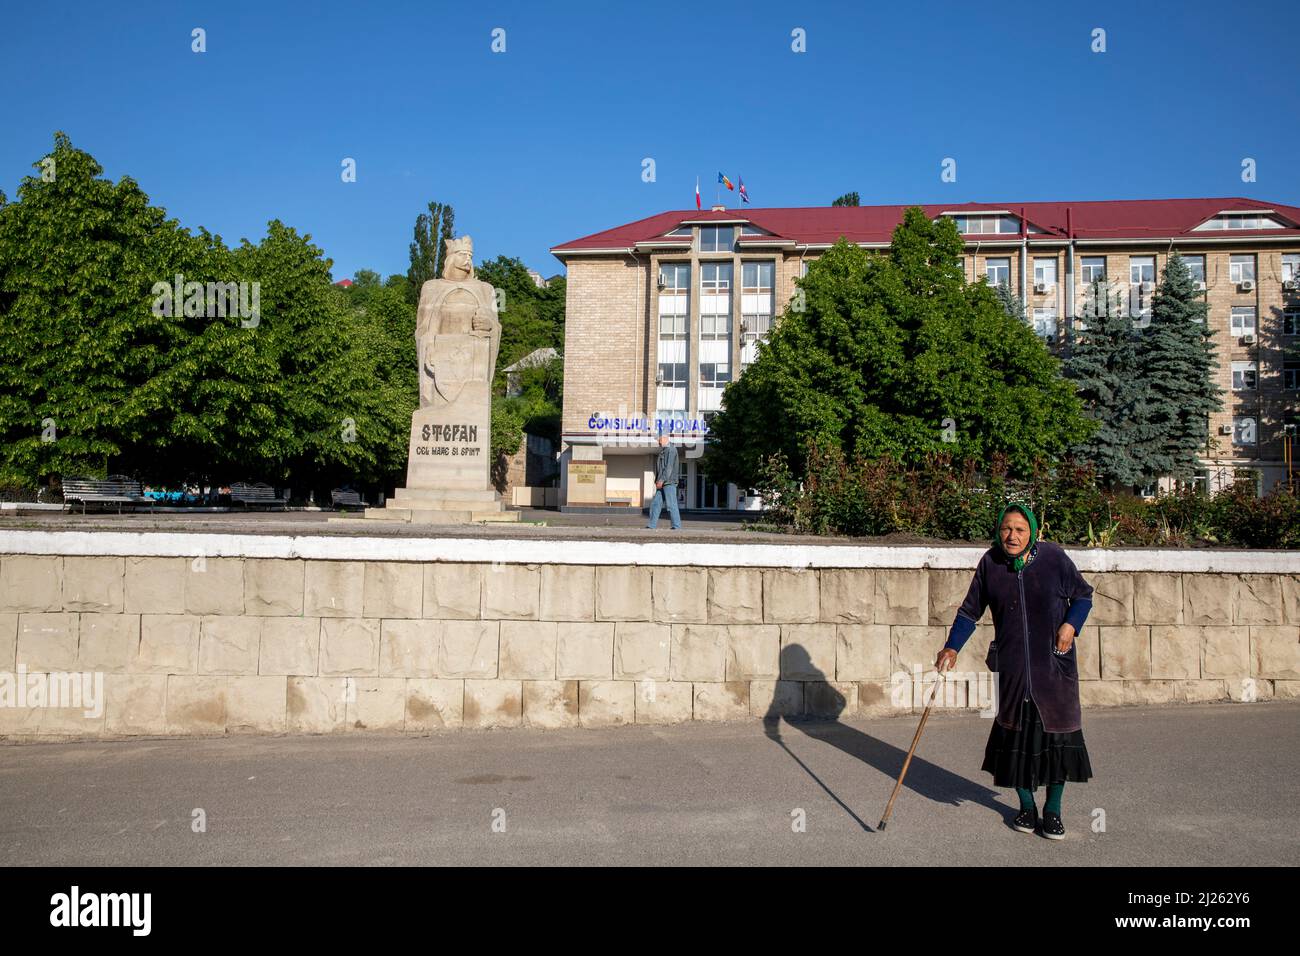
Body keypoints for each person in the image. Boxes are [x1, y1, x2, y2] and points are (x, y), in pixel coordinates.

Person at [935, 502, 1094, 840]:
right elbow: (968, 612)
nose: (1012, 535)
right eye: (1007, 528)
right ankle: (1026, 806)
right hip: (1013, 670)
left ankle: (1052, 811)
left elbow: (1083, 596)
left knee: (1056, 743)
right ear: (998, 530)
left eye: (1020, 529)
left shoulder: (1053, 559)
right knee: (1015, 742)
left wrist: (1070, 626)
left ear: (1032, 532)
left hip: (1054, 668)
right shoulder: (990, 564)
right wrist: (952, 647)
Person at [647, 434, 681, 530]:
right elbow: (661, 468)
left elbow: (668, 468)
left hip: (669, 482)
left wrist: (661, 480)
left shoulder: (671, 449)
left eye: (659, 440)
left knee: (671, 504)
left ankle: (676, 526)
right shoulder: (664, 450)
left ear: (665, 439)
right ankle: (651, 525)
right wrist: (658, 480)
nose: (658, 442)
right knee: (656, 504)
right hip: (662, 482)